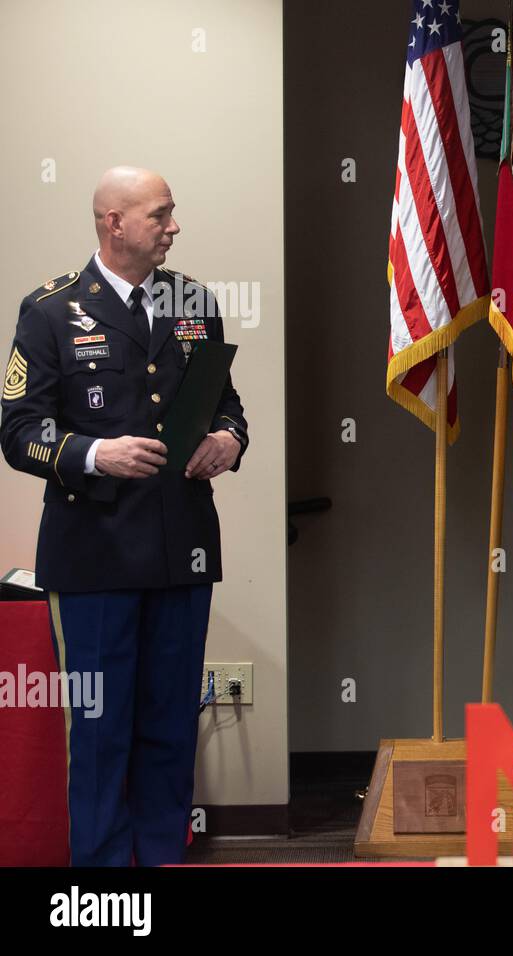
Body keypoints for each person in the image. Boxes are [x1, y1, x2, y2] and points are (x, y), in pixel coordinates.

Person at [0, 166, 249, 865]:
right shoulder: (50, 310)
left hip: (181, 549)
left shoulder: (193, 300)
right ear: (114, 223)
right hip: (94, 556)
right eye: (160, 214)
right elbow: (18, 430)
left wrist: (229, 438)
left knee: (170, 724)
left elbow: (225, 403)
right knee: (103, 730)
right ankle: (108, 888)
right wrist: (93, 453)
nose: (174, 226)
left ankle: (160, 861)